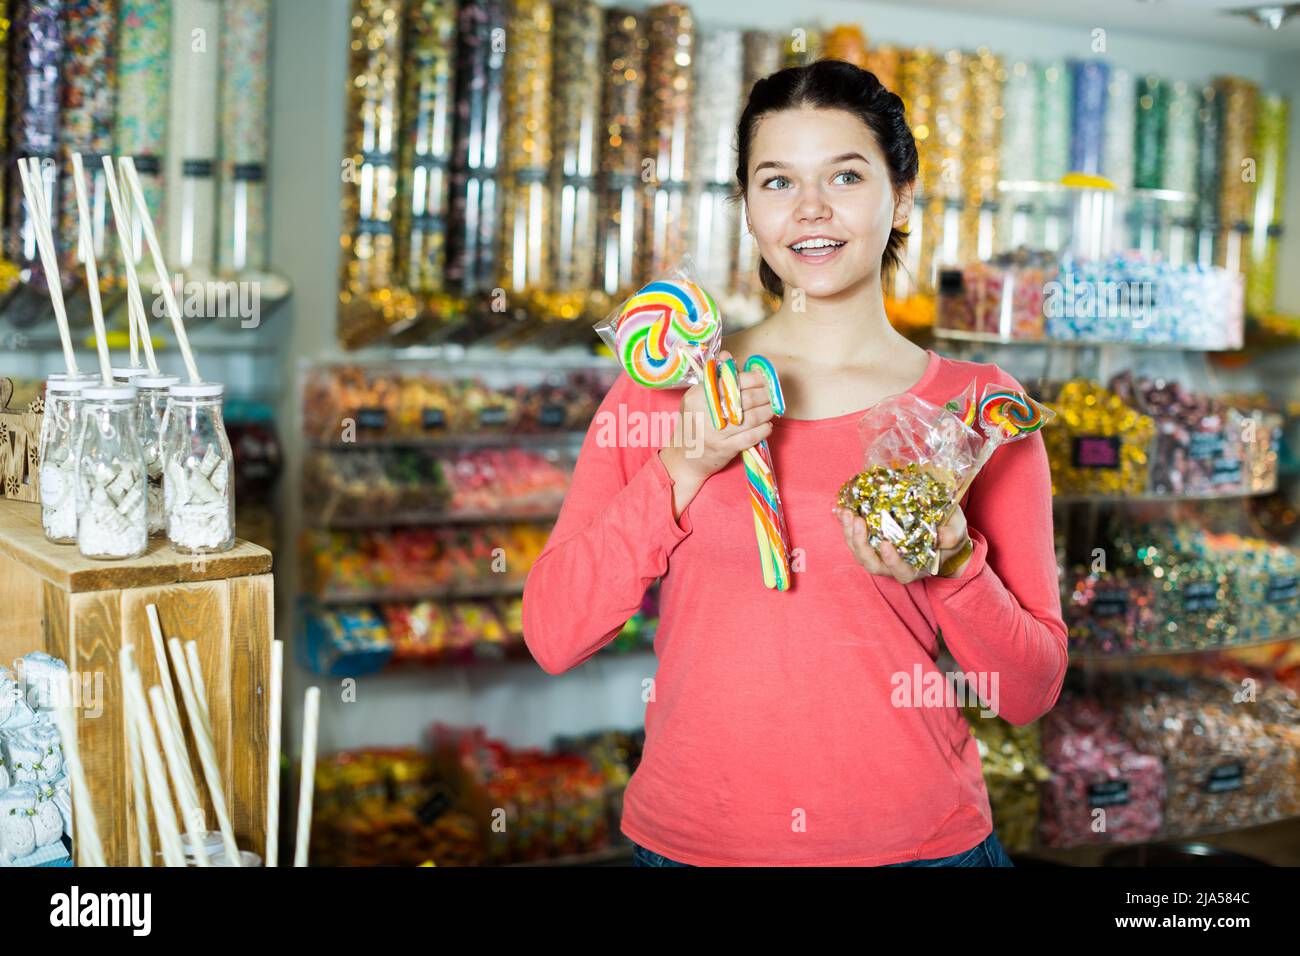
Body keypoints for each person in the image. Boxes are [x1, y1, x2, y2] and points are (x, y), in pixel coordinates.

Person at [522, 59, 1067, 867]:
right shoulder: (670, 387)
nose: (811, 209)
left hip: (919, 848)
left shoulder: (976, 411)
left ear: (902, 193)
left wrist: (951, 561)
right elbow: (554, 633)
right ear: (747, 207)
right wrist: (682, 467)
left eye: (845, 175)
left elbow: (1028, 692)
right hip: (692, 846)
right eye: (776, 181)